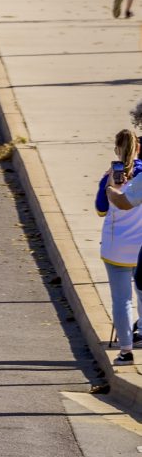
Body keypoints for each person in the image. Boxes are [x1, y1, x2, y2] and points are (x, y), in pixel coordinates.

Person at [102, 131, 142, 362]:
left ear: (117, 149)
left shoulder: (109, 176)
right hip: (140, 246)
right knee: (141, 290)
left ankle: (125, 349)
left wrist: (109, 187)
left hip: (116, 247)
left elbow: (101, 208)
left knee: (121, 299)